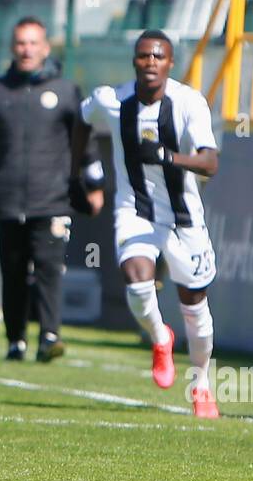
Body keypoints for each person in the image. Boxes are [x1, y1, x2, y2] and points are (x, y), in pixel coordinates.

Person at [77, 31, 222, 417]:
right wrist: (85, 167)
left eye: (159, 56)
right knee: (137, 279)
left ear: (170, 63)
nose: (151, 62)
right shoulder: (113, 99)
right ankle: (160, 337)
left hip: (184, 218)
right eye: (144, 56)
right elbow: (81, 118)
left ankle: (202, 383)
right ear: (135, 62)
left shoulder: (189, 102)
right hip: (134, 210)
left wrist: (167, 157)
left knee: (195, 307)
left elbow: (210, 162)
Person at [0, 18, 104, 362]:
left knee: (48, 269)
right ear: (12, 48)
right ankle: (16, 340)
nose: (26, 49)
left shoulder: (65, 91)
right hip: (8, 201)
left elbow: (83, 143)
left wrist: (94, 186)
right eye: (20, 43)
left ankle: (49, 335)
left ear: (45, 48)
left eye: (33, 43)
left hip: (53, 199)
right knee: (13, 273)